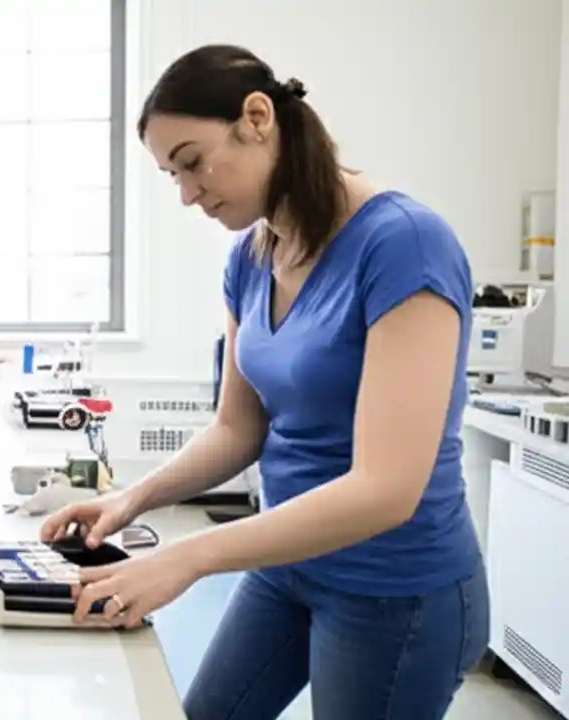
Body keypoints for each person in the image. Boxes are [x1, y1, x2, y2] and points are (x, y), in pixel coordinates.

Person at [42, 45, 487, 719]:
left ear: (257, 118)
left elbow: (387, 490)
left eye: (192, 161)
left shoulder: (404, 244)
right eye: (172, 175)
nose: (188, 193)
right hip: (287, 568)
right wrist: (130, 501)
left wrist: (188, 558)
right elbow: (236, 429)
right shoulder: (251, 259)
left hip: (393, 588)